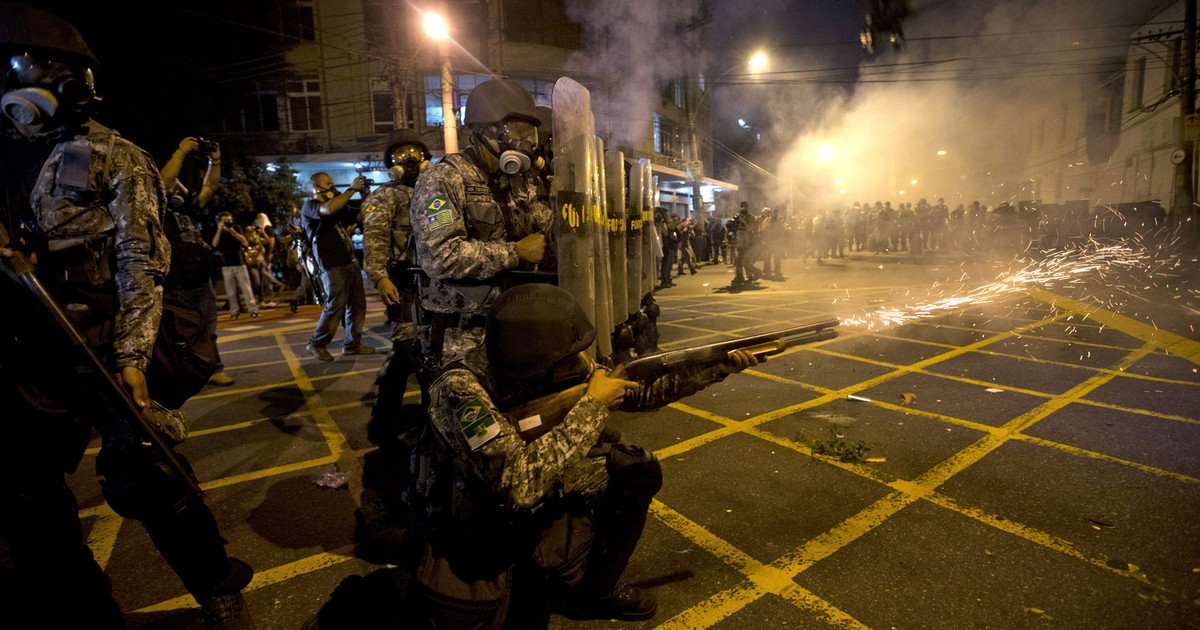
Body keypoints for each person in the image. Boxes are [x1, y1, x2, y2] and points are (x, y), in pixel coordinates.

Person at [0, 5, 253, 627]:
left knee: (151, 479)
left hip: (102, 343)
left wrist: (134, 358)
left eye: (46, 70)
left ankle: (217, 586)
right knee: (27, 501)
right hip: (24, 354)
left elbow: (142, 261)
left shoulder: (113, 155)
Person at [409, 284, 760, 627]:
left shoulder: (549, 360)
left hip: (527, 489)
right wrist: (593, 404)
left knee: (634, 468)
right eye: (567, 359)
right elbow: (519, 483)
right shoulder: (459, 391)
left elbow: (638, 393)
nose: (579, 363)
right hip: (474, 517)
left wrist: (717, 368)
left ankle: (594, 592)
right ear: (533, 360)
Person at [408, 78, 551, 370]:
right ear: (483, 132)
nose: (523, 147)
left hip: (513, 321)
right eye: (516, 136)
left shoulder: (517, 182)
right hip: (461, 335)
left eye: (529, 138)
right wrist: (515, 252)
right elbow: (440, 256)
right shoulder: (443, 179)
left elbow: (546, 228)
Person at [357, 128, 432, 556]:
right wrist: (380, 276)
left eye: (417, 153)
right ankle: (387, 425)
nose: (410, 159)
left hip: (434, 283)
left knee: (422, 353)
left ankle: (406, 419)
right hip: (403, 286)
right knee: (408, 350)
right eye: (403, 154)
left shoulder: (434, 189)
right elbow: (376, 241)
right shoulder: (384, 196)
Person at [301, 171, 375, 361]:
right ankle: (316, 343)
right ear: (315, 187)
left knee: (357, 305)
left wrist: (365, 195)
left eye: (333, 183)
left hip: (349, 260)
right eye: (327, 183)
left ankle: (352, 344)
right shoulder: (310, 205)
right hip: (331, 264)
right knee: (336, 306)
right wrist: (351, 189)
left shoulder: (339, 205)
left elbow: (359, 216)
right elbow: (327, 209)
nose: (332, 186)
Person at [210, 210, 259, 319]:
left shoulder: (236, 228)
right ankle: (234, 312)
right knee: (230, 292)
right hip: (226, 265)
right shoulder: (219, 231)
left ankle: (253, 309)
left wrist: (232, 231)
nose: (227, 222)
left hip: (240, 263)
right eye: (225, 220)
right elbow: (214, 244)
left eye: (229, 220)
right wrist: (219, 229)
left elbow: (244, 241)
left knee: (246, 289)